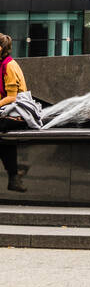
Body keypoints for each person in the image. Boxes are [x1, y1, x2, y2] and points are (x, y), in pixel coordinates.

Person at [0, 33, 28, 193]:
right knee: (3, 140)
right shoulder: (2, 64)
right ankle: (14, 175)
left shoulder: (9, 66)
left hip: (19, 113)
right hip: (7, 111)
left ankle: (14, 175)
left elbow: (11, 97)